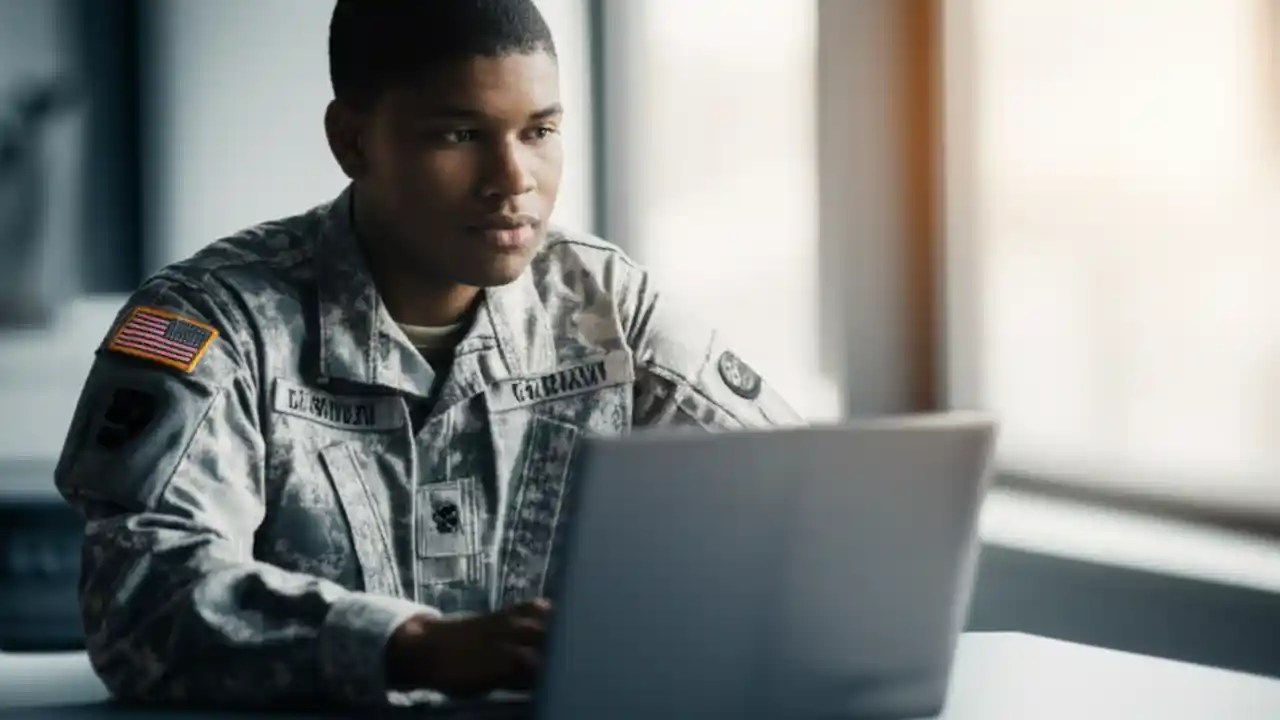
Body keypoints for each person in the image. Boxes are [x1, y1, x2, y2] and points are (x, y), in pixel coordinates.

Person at [54, 0, 801, 709]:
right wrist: (409, 647)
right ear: (352, 141)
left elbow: (802, 506)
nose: (514, 180)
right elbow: (138, 605)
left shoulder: (606, 304)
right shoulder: (218, 320)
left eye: (539, 131)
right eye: (460, 135)